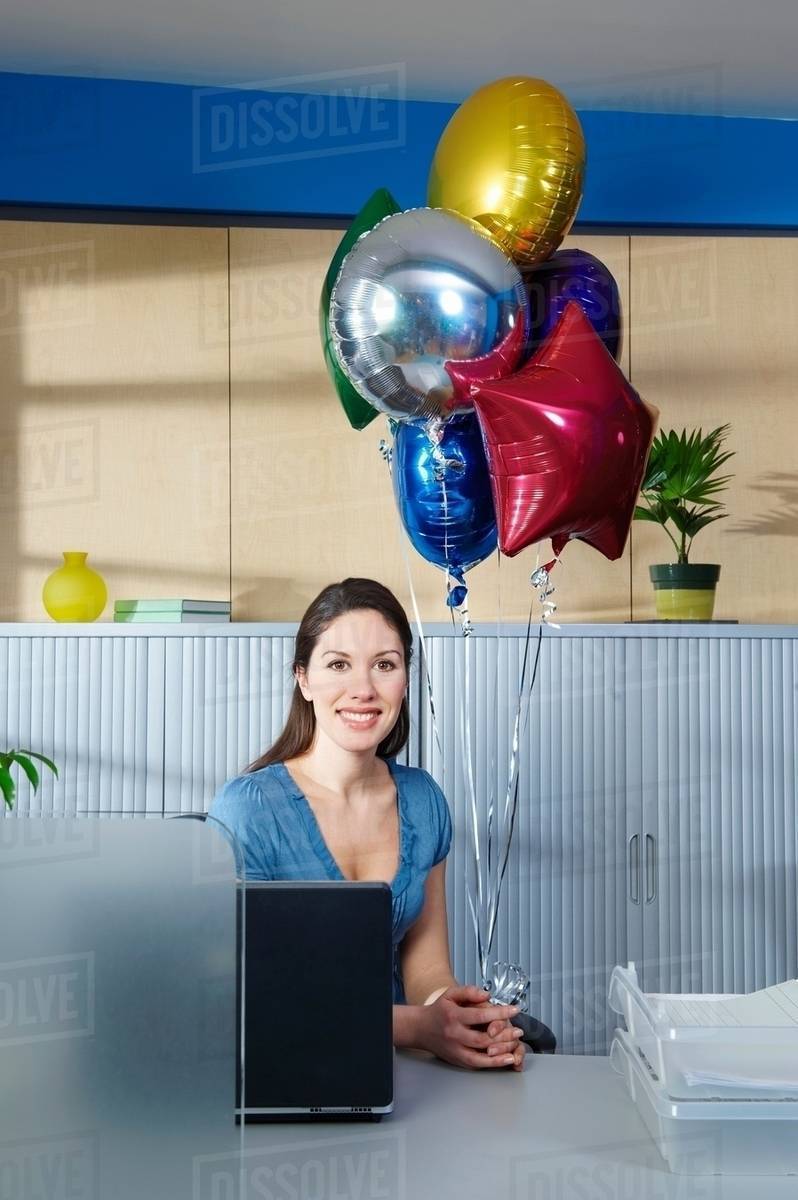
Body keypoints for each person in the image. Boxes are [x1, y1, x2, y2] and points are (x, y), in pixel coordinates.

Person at [209, 577, 525, 1071]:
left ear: (404, 679)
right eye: (338, 665)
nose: (363, 689)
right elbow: (249, 994)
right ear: (304, 679)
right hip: (280, 1069)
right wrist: (419, 1026)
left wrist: (462, 1018)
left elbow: (426, 971)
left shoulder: (423, 801)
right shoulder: (247, 811)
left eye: (384, 664)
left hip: (397, 1069)